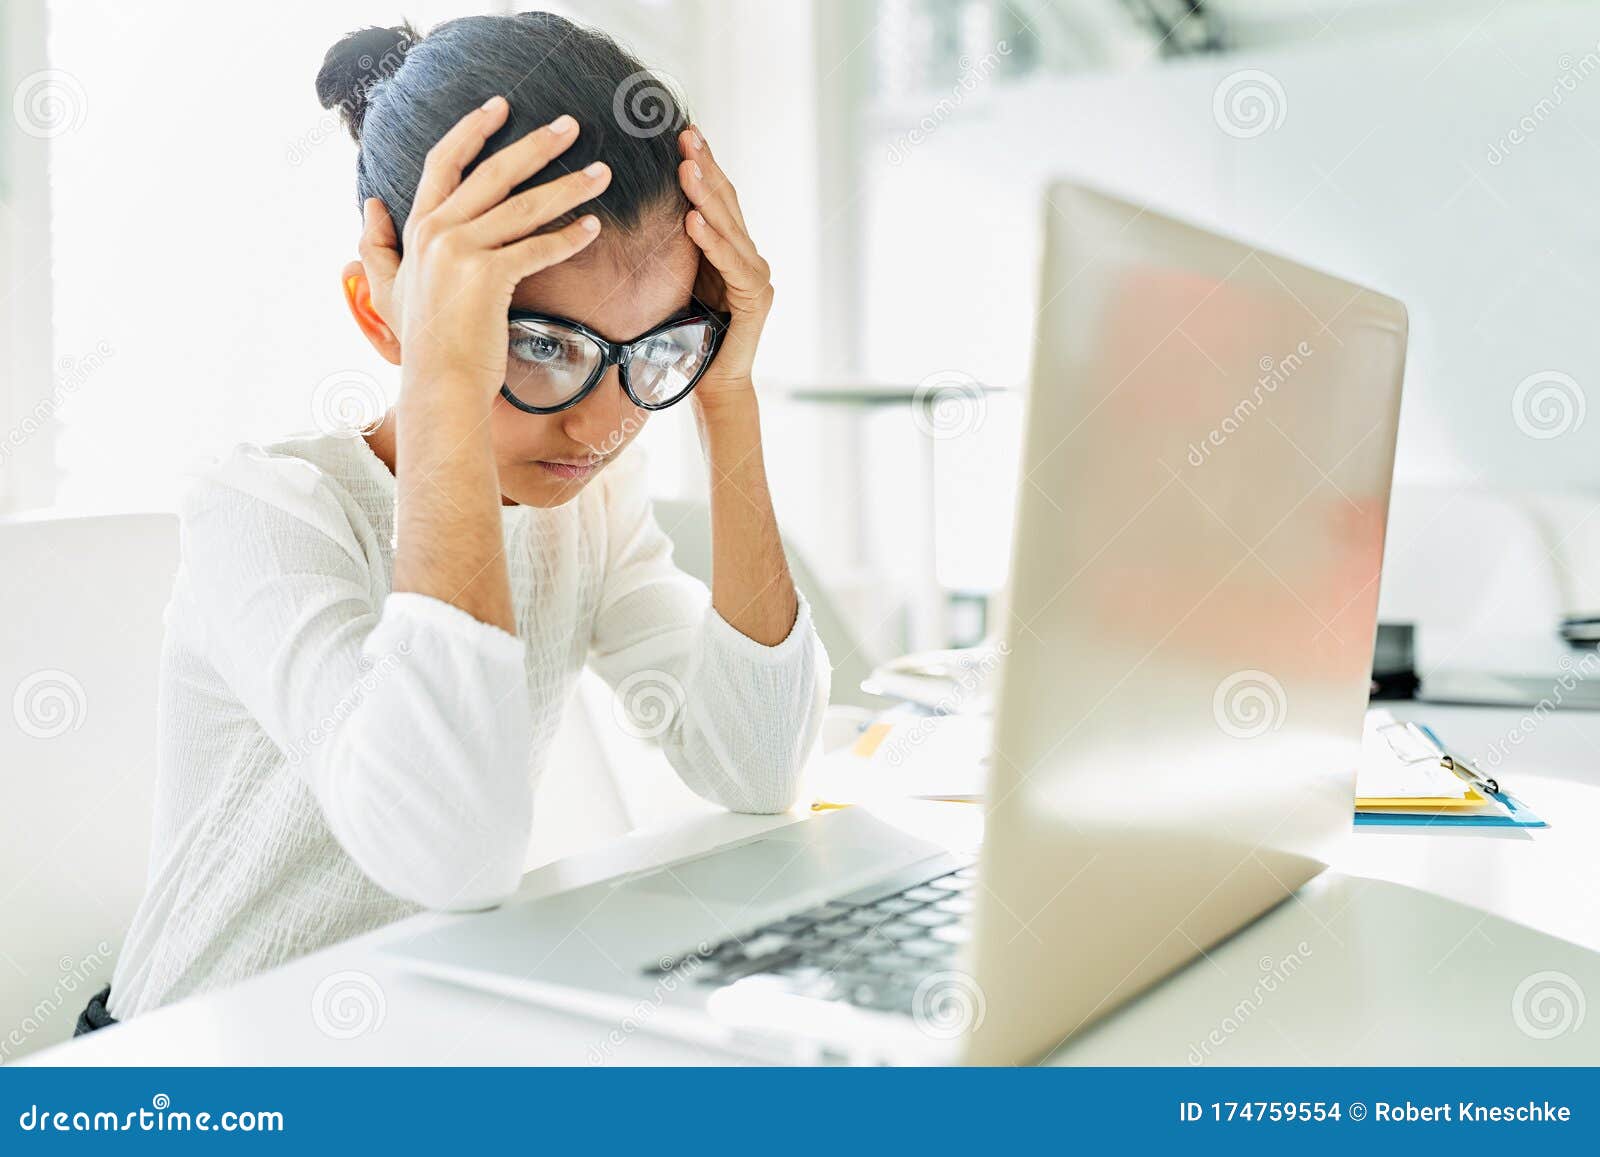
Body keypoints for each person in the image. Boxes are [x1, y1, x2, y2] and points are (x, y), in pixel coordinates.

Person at [95, 11, 828, 1025]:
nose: (603, 418)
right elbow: (450, 850)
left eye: (655, 347)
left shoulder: (590, 500)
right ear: (382, 309)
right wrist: (442, 378)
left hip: (415, 1033)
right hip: (194, 1061)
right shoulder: (261, 511)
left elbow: (758, 765)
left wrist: (724, 393)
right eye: (535, 343)